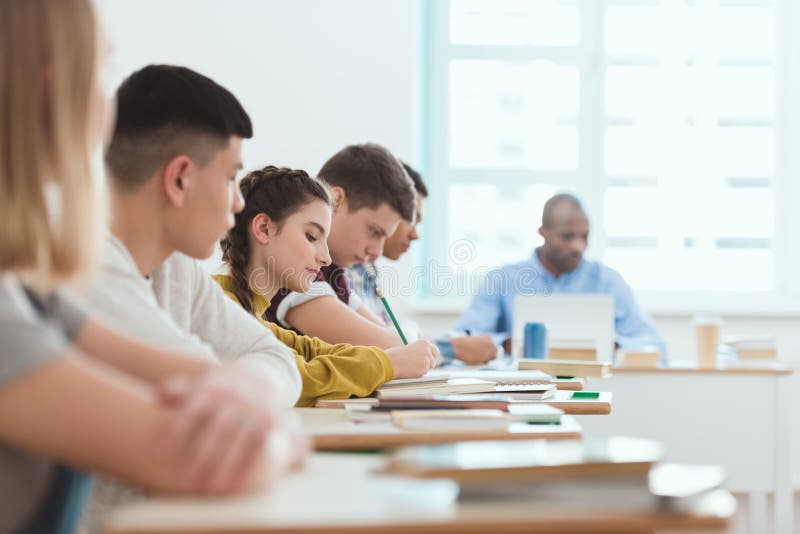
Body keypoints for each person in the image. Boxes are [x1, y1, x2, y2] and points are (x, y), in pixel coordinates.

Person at [0, 2, 301, 532]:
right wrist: (277, 433)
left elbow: (251, 370)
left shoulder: (31, 289)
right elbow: (203, 456)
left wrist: (252, 401)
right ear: (54, 92)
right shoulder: (70, 269)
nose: (238, 203)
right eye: (103, 69)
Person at [80, 64, 309, 531]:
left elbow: (272, 357)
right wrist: (257, 403)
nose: (238, 203)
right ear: (180, 178)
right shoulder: (88, 273)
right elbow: (231, 412)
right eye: (230, 178)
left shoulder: (176, 268)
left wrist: (249, 387)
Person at [215, 166, 439, 406]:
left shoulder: (252, 313)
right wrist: (388, 363)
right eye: (312, 236)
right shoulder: (221, 307)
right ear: (264, 228)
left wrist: (388, 359)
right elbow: (299, 376)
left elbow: (313, 351)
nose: (326, 258)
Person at [456, 193, 667, 357]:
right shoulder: (503, 279)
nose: (578, 246)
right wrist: (506, 345)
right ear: (543, 232)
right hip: (523, 389)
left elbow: (654, 343)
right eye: (567, 236)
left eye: (584, 237)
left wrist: (614, 346)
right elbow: (461, 338)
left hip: (593, 386)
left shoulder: (608, 281)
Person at [263, 143, 416, 348]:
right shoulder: (292, 261)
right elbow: (390, 347)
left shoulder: (334, 272)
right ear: (335, 201)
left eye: (383, 238)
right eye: (374, 232)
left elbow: (395, 339)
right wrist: (410, 338)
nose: (376, 252)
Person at [350, 162, 498, 364]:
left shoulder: (365, 270)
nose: (415, 234)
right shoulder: (341, 272)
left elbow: (394, 341)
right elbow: (396, 346)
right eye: (411, 219)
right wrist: (449, 348)